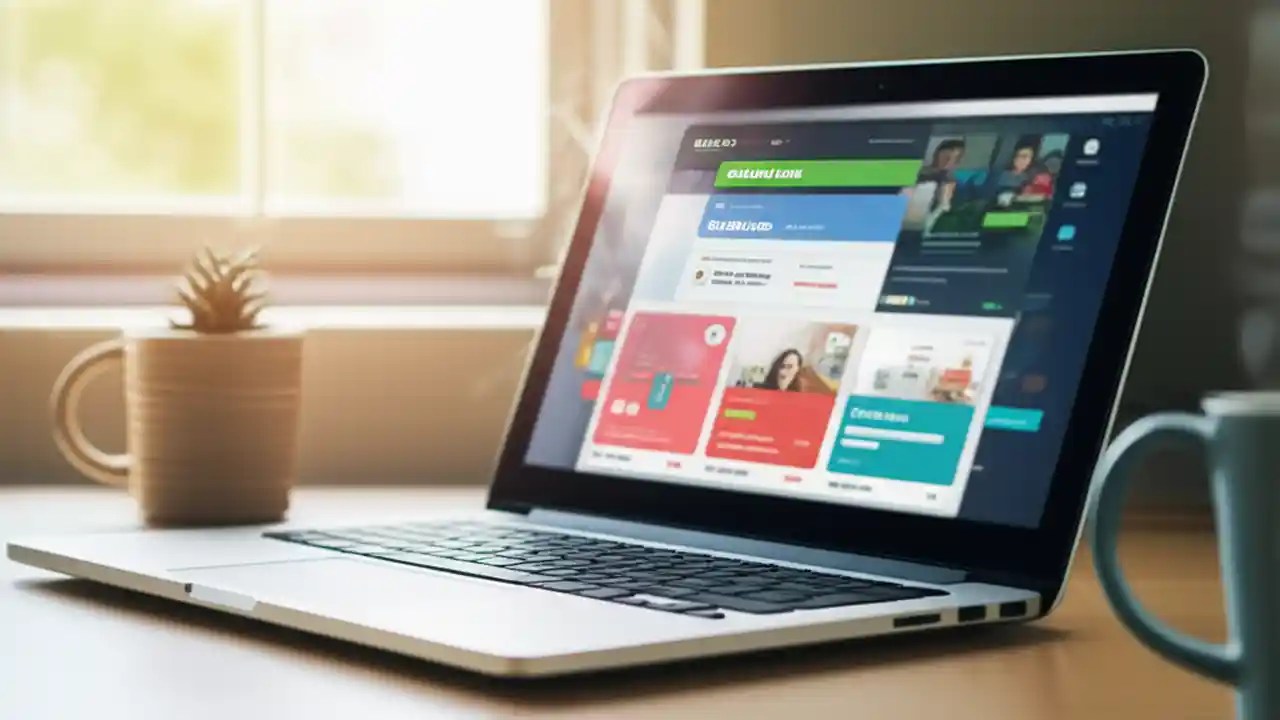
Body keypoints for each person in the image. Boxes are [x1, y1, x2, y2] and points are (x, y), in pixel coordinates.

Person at [917, 138, 966, 212]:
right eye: (945, 157)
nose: (948, 162)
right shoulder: (916, 174)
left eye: (954, 159)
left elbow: (945, 207)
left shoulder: (956, 185)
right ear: (936, 155)